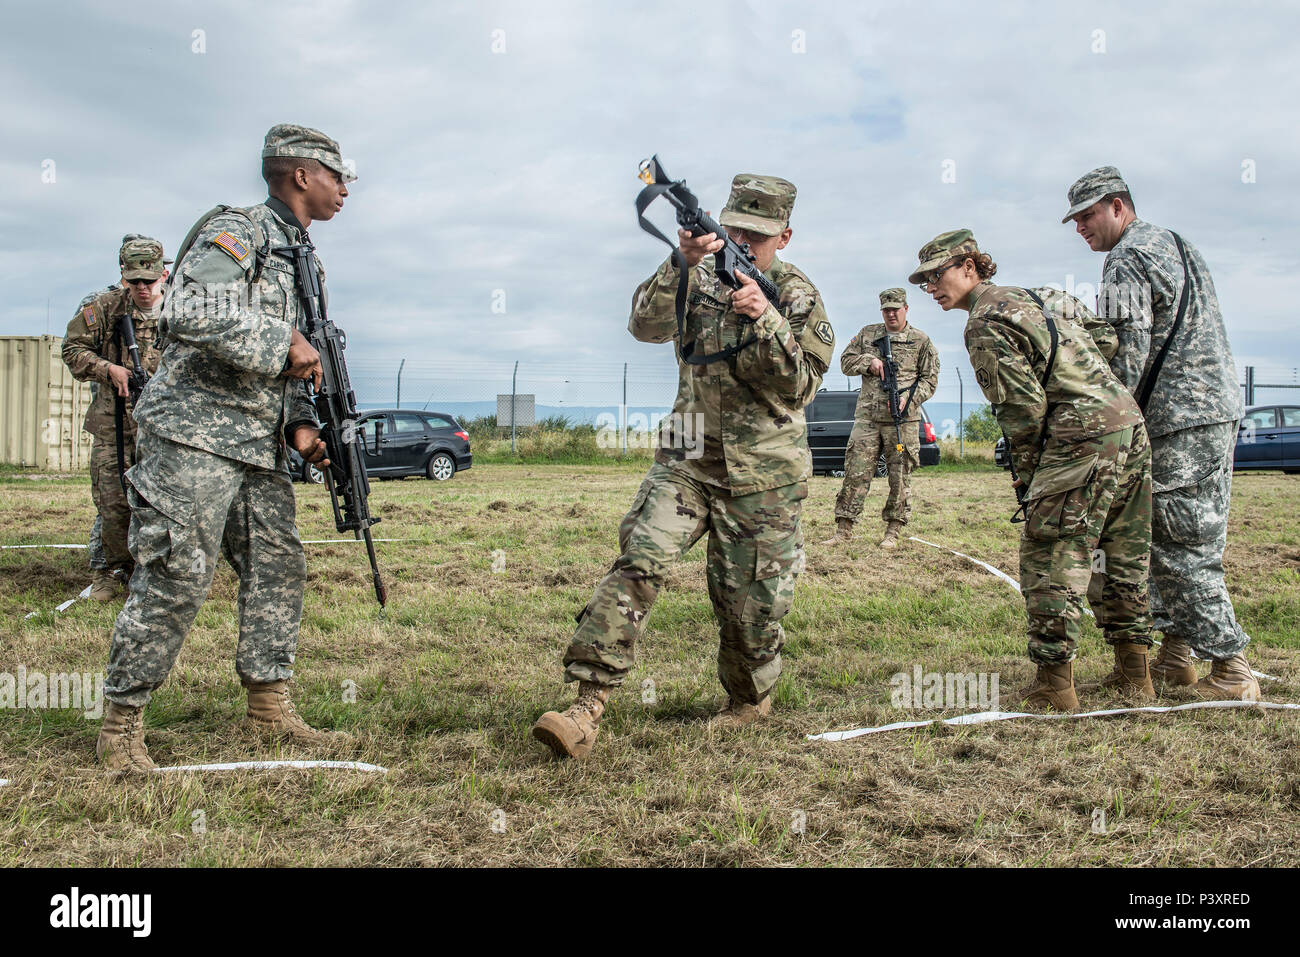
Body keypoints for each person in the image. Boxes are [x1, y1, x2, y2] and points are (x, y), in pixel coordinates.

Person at [532, 173, 834, 759]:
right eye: (736, 229)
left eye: (759, 235)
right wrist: (681, 261)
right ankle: (585, 706)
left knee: (748, 605)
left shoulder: (797, 295)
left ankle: (748, 700)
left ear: (786, 236)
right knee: (639, 563)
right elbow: (643, 326)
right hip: (688, 458)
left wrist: (762, 319)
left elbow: (798, 388)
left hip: (764, 475)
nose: (744, 242)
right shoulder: (696, 273)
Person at [95, 124, 353, 773]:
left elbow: (305, 360)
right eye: (336, 174)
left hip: (257, 443)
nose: (345, 188)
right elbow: (189, 309)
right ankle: (122, 724)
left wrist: (301, 424)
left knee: (278, 564)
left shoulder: (307, 262)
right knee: (179, 570)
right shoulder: (238, 231)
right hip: (194, 431)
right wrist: (279, 341)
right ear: (299, 175)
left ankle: (269, 707)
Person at [911, 229, 1154, 710]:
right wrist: (1080, 379)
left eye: (936, 275)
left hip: (1078, 436)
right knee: (1121, 550)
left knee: (1051, 553)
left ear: (969, 266)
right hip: (1127, 423)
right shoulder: (1044, 296)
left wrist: (1028, 478)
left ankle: (1054, 684)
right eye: (923, 281)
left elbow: (1022, 413)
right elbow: (1104, 338)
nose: (931, 288)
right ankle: (1135, 674)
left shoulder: (984, 321)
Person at [1064, 166, 1258, 701]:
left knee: (1177, 544)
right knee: (1196, 535)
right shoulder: (1175, 243)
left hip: (1175, 418)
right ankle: (1176, 656)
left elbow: (1129, 349)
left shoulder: (1126, 258)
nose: (1081, 228)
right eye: (1075, 220)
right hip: (1214, 408)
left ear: (1118, 206)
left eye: (1088, 215)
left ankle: (1232, 666)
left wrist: (1099, 420)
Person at [62, 238, 169, 600]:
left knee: (163, 504)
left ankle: (158, 571)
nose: (142, 288)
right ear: (123, 276)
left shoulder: (183, 312)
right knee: (112, 504)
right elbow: (72, 349)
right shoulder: (104, 308)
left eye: (149, 281)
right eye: (134, 281)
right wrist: (108, 369)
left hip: (165, 431)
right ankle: (110, 571)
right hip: (113, 427)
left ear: (164, 274)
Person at [824, 287, 939, 547]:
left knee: (899, 476)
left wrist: (908, 398)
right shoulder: (868, 334)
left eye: (895, 309)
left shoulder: (921, 341)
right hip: (868, 417)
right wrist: (868, 362)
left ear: (906, 309)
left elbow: (930, 380)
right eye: (886, 310)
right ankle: (843, 530)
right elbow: (845, 361)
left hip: (902, 421)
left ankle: (893, 531)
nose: (890, 315)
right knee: (855, 472)